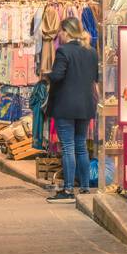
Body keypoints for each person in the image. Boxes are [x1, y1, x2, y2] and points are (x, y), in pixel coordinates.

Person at [46, 16, 99, 202]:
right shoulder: (91, 52)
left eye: (61, 31)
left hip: (66, 106)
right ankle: (84, 188)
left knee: (68, 147)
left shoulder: (63, 52)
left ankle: (68, 189)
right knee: (81, 147)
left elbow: (58, 76)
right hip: (85, 106)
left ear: (66, 32)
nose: (59, 35)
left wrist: (47, 75)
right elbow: (95, 77)